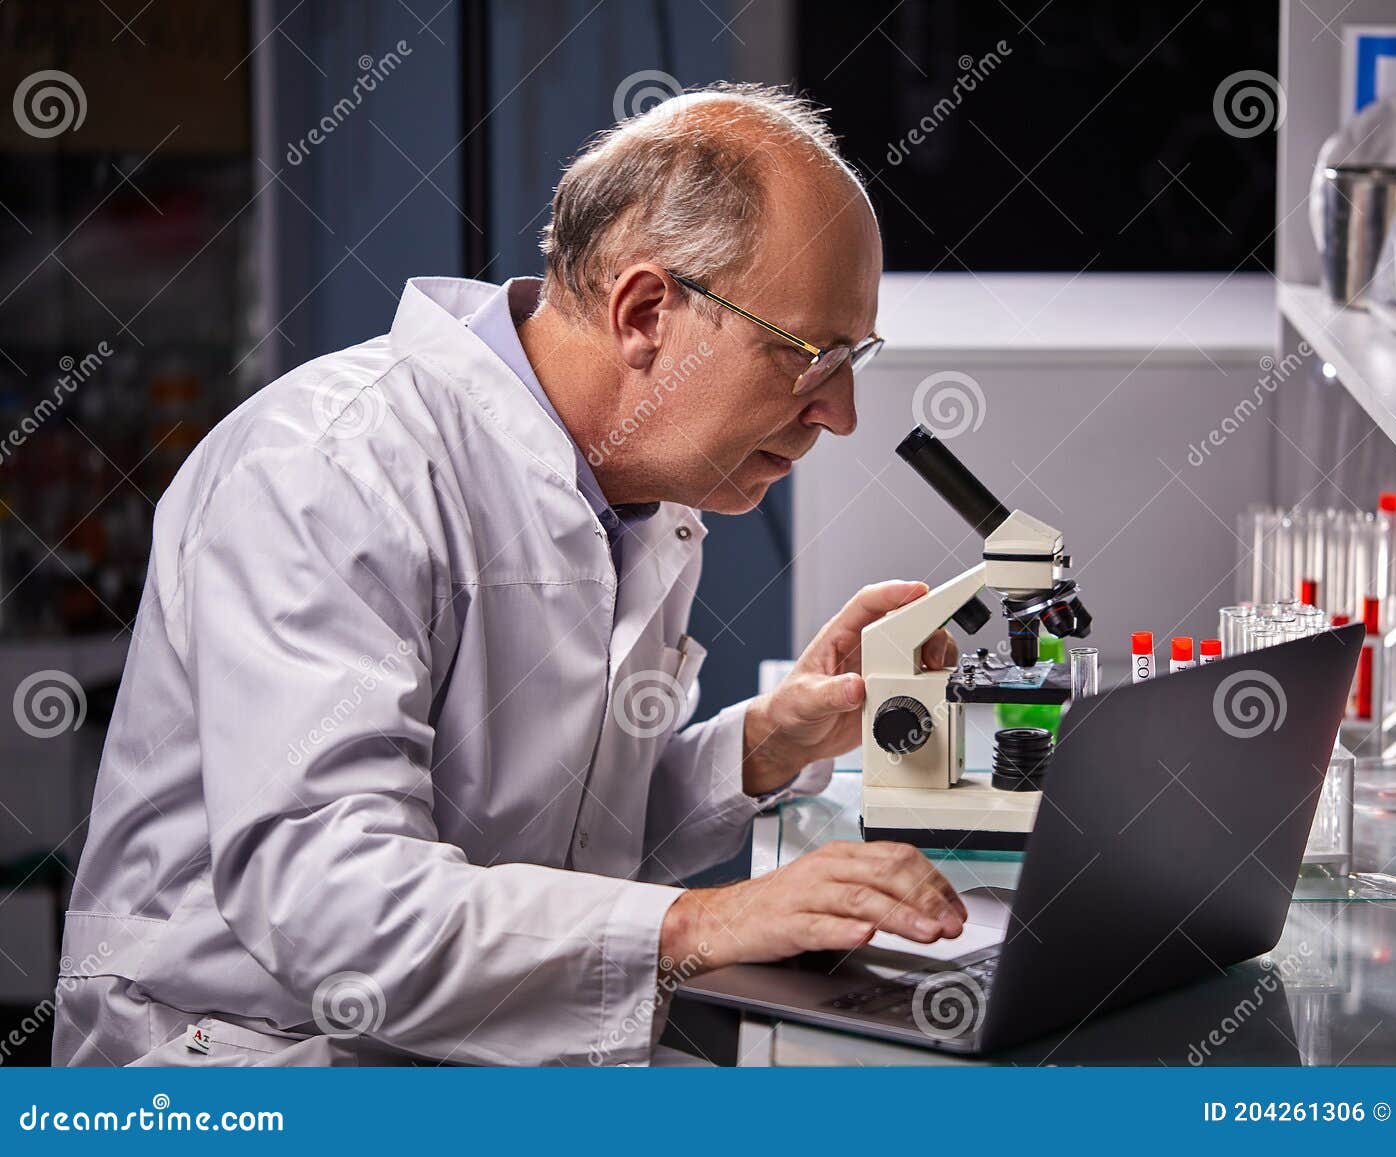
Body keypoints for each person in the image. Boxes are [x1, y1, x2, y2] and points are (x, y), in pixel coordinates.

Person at [53, 85, 968, 1067]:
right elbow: (333, 904)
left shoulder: (635, 499)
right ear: (646, 313)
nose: (840, 413)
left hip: (447, 1045)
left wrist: (761, 745)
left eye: (854, 357)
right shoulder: (331, 466)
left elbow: (556, 844)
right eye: (811, 356)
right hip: (250, 1060)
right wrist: (703, 923)